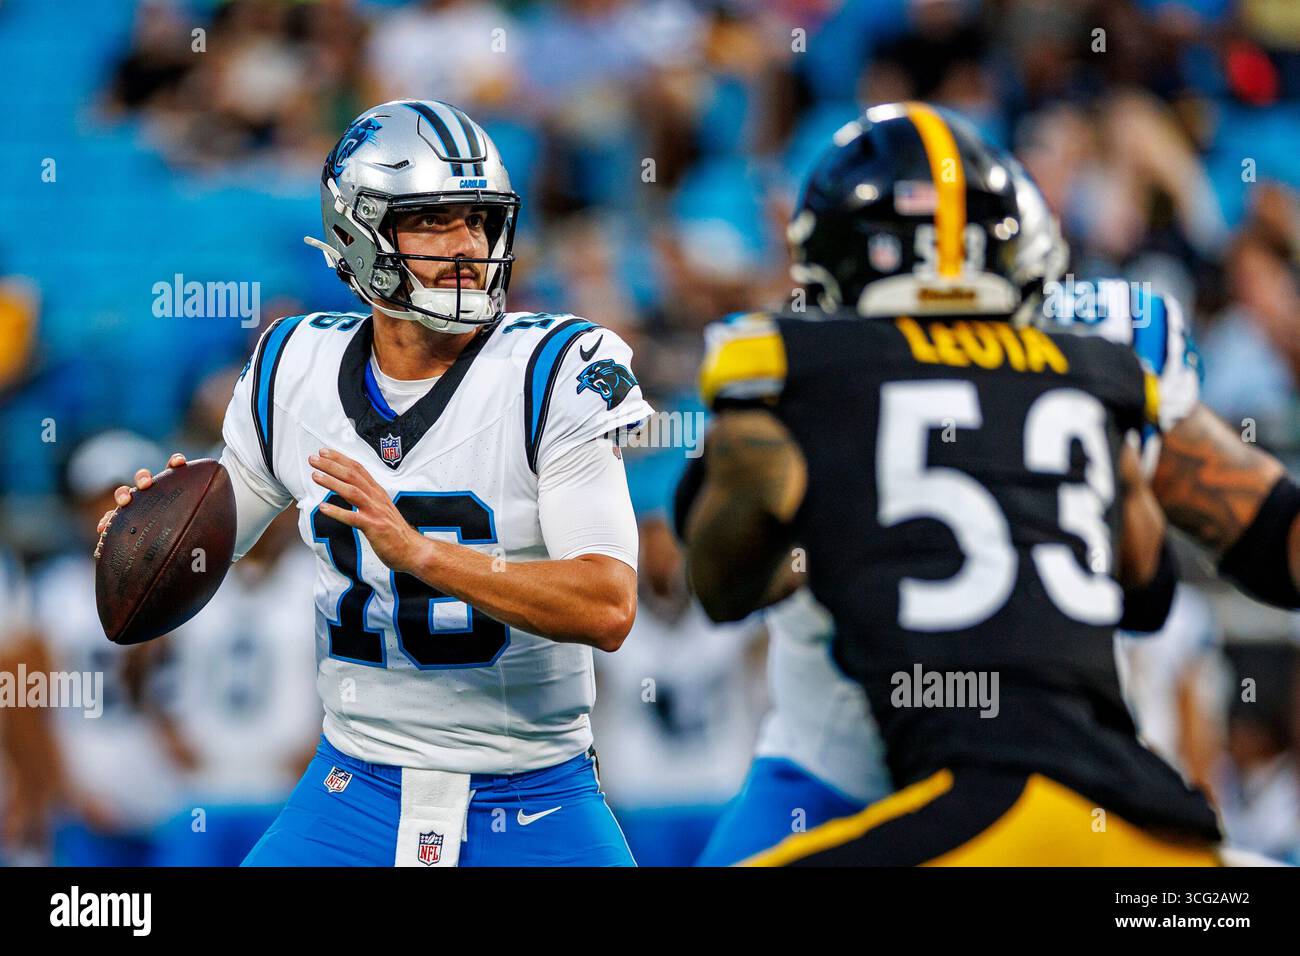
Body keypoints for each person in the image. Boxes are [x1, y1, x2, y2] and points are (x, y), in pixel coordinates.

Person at [98, 100, 651, 866]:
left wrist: (422, 555)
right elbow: (211, 547)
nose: (468, 246)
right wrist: (147, 535)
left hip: (533, 794)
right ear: (359, 235)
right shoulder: (294, 366)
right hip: (352, 789)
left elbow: (608, 605)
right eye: (432, 221)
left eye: (480, 220)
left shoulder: (554, 370)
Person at [682, 102, 1222, 865]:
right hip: (868, 766)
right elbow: (1147, 590)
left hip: (989, 773)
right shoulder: (1093, 361)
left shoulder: (796, 368)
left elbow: (723, 585)